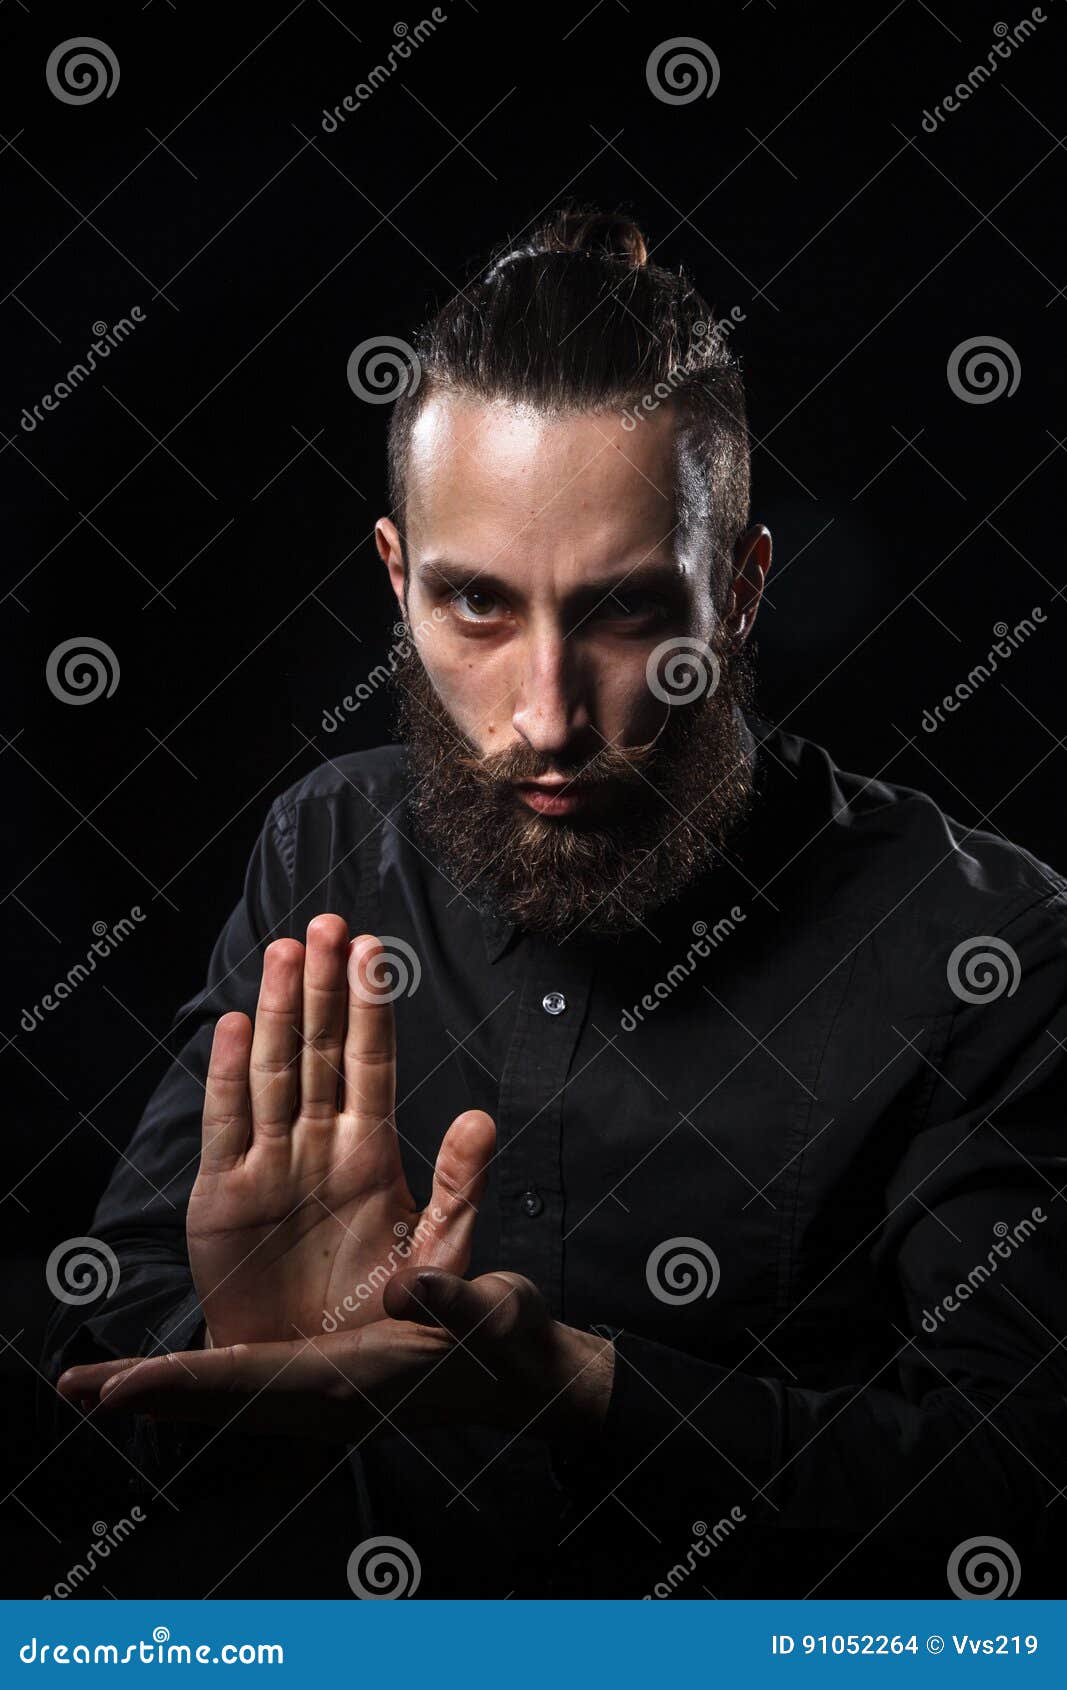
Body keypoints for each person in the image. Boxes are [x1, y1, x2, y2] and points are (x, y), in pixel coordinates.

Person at [49, 207, 1067, 1600]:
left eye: (627, 612)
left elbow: (1020, 1491)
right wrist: (239, 1340)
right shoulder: (330, 846)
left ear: (740, 592)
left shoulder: (988, 948)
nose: (545, 716)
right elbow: (102, 1348)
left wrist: (587, 1388)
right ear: (398, 581)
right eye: (476, 604)